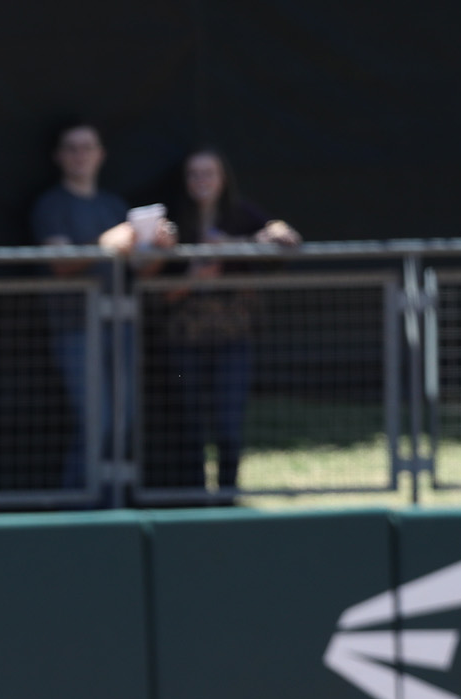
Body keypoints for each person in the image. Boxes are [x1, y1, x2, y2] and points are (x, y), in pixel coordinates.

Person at [31, 122, 172, 496]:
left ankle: (111, 508)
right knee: (96, 423)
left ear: (101, 155)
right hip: (75, 329)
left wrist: (159, 248)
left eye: (88, 147)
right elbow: (60, 263)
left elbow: (142, 269)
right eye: (72, 148)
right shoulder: (51, 205)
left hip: (120, 327)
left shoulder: (114, 206)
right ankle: (79, 515)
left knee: (122, 422)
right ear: (59, 156)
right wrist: (107, 243)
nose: (81, 155)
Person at [151, 148, 301, 492]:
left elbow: (279, 234)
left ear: (223, 178)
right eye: (194, 173)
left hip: (233, 337)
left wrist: (234, 243)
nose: (201, 181)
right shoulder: (171, 221)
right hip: (183, 340)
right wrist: (193, 278)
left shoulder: (239, 213)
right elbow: (155, 290)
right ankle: (193, 500)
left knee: (228, 425)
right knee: (189, 425)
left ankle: (227, 499)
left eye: (209, 173)